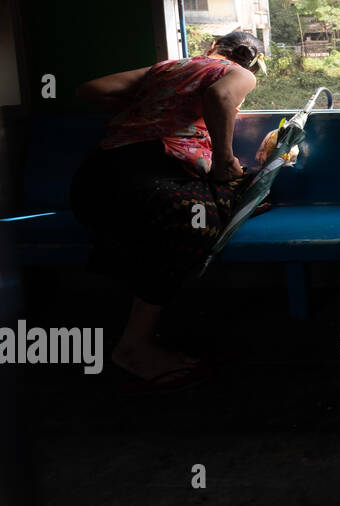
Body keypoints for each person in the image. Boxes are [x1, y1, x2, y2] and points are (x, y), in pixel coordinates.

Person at [69, 31, 270, 392]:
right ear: (249, 60)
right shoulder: (236, 72)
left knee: (183, 214)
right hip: (153, 176)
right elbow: (220, 96)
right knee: (198, 220)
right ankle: (133, 347)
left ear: (211, 46)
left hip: (96, 182)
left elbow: (90, 89)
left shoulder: (165, 69)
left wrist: (147, 110)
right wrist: (224, 160)